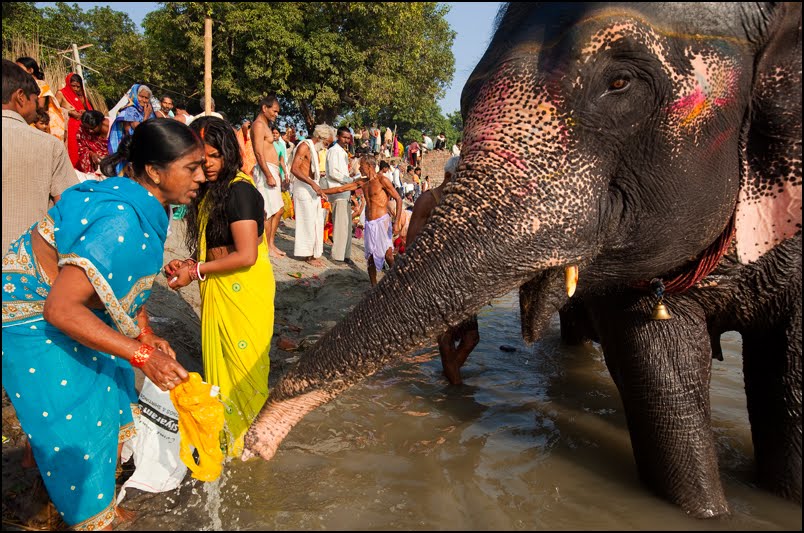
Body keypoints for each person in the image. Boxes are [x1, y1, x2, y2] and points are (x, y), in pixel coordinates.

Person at [2, 118, 203, 530]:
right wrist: (142, 354)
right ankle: (87, 516)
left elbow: (119, 285)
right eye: (191, 167)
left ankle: (51, 508)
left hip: (72, 305)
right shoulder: (120, 220)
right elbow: (59, 310)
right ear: (154, 171)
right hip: (31, 313)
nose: (202, 176)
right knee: (78, 417)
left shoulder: (143, 203)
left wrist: (144, 332)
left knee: (111, 395)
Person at [165, 116, 273, 458]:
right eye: (200, 158)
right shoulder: (212, 194)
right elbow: (218, 248)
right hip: (220, 290)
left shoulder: (240, 191)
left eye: (213, 156)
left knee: (245, 375)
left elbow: (246, 256)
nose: (207, 165)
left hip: (244, 297)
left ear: (228, 151)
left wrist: (195, 270)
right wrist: (188, 264)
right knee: (222, 373)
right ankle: (230, 445)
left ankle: (252, 448)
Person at [406, 155, 479, 385]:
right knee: (446, 339)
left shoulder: (462, 204)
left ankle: (450, 374)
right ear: (449, 177)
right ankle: (456, 390)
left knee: (471, 338)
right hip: (437, 281)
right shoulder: (428, 200)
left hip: (462, 281)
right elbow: (411, 244)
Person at [2, 60, 77, 253]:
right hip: (22, 267)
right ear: (20, 97)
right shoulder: (49, 145)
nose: (38, 109)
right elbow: (70, 210)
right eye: (36, 100)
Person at [323, 154, 401, 285]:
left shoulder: (383, 180)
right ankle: (373, 287)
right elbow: (341, 188)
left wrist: (397, 222)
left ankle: (398, 284)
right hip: (369, 223)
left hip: (382, 222)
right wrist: (320, 190)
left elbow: (398, 199)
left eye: (361, 165)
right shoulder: (362, 182)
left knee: (388, 256)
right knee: (370, 257)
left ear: (369, 166)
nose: (359, 168)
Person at [290, 123, 335, 266]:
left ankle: (313, 253)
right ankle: (308, 255)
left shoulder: (314, 149)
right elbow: (294, 169)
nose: (326, 147)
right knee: (307, 222)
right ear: (320, 138)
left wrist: (319, 189)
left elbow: (311, 172)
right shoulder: (304, 146)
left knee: (316, 221)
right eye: (326, 143)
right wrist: (313, 184)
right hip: (303, 188)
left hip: (311, 188)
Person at [251, 95, 286, 258]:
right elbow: (258, 152)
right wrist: (267, 174)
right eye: (274, 111)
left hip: (272, 170)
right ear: (265, 108)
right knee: (268, 210)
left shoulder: (265, 125)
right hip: (266, 171)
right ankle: (266, 245)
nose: (276, 115)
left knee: (278, 210)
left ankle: (270, 243)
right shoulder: (258, 125)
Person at [326, 126, 360, 263]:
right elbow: (333, 173)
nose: (346, 140)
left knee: (347, 225)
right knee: (340, 225)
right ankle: (337, 256)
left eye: (348, 138)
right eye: (344, 137)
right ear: (338, 137)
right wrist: (350, 180)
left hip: (345, 191)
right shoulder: (334, 151)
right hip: (337, 191)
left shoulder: (343, 152)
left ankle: (345, 255)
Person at [107, 84, 156, 174]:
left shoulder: (146, 111)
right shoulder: (130, 110)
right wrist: (146, 117)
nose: (144, 100)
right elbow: (138, 129)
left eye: (146, 98)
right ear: (135, 95)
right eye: (141, 96)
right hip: (131, 148)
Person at [15, 56, 66, 142]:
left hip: (36, 121)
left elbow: (40, 107)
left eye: (19, 68)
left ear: (30, 70)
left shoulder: (41, 84)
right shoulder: (21, 85)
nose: (16, 72)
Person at [56, 73, 94, 167]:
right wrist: (68, 112)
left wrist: (84, 112)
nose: (76, 89)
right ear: (68, 83)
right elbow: (54, 109)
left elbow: (91, 111)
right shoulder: (61, 93)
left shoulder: (82, 96)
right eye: (73, 86)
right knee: (73, 151)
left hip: (84, 128)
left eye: (78, 86)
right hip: (71, 128)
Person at [76, 110, 109, 174]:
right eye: (87, 128)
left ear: (100, 123)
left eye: (92, 128)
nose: (90, 131)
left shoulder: (115, 129)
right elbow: (82, 147)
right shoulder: (85, 131)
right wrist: (91, 154)